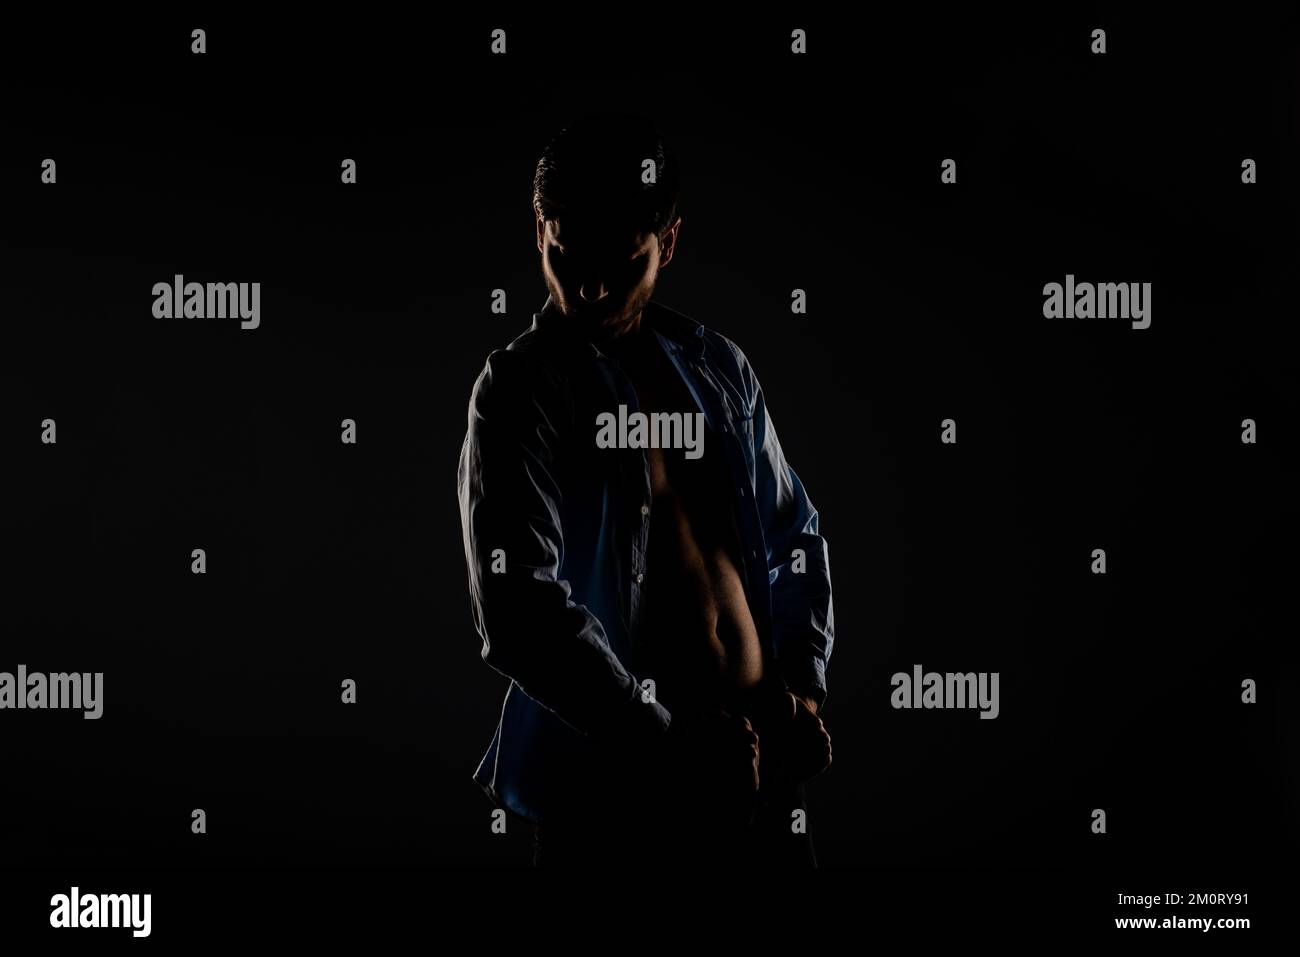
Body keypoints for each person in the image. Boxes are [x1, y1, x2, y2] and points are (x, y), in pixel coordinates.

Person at [457, 112, 835, 866]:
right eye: (568, 255)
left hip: (757, 774)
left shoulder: (718, 370)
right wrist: (662, 738)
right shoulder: (520, 393)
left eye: (621, 260)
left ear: (669, 241)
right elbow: (517, 605)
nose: (591, 286)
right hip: (618, 794)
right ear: (540, 227)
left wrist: (801, 686)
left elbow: (792, 534)